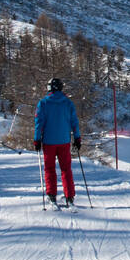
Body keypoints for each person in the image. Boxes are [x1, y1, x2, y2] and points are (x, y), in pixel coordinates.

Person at [34, 77, 81, 206]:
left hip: (49, 142)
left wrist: (36, 139)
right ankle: (69, 196)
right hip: (64, 141)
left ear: (49, 88)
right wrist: (77, 138)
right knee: (66, 169)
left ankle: (51, 194)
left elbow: (39, 123)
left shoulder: (43, 103)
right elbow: (74, 122)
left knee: (49, 168)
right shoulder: (68, 103)